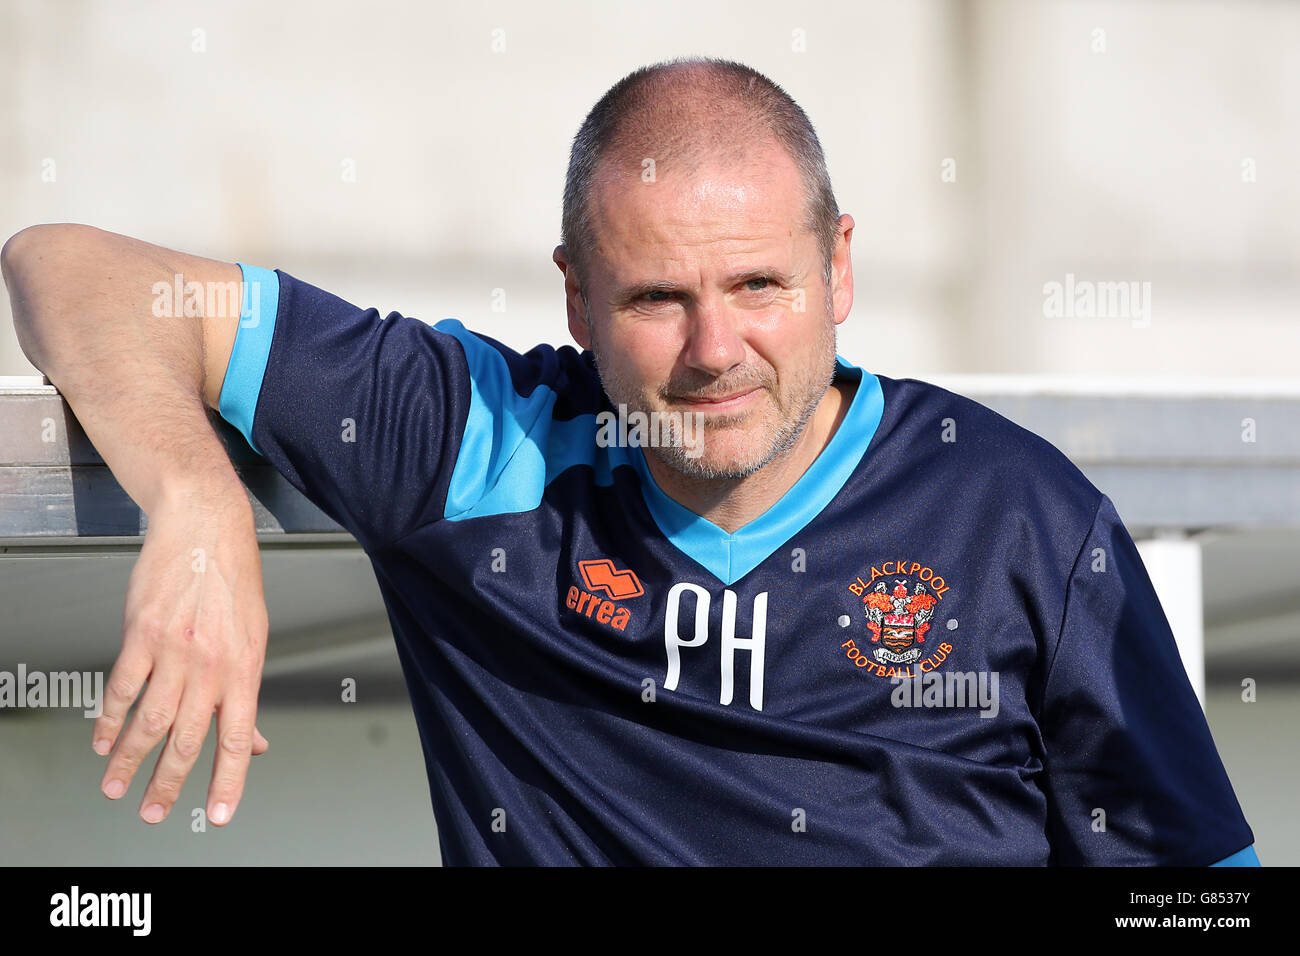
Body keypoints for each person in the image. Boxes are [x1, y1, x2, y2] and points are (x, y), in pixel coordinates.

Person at [2, 56, 1259, 866]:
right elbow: (69, 266)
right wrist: (196, 502)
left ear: (839, 269)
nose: (716, 349)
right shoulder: (474, 443)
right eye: (658, 296)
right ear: (577, 298)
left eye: (758, 283)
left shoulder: (1018, 517)